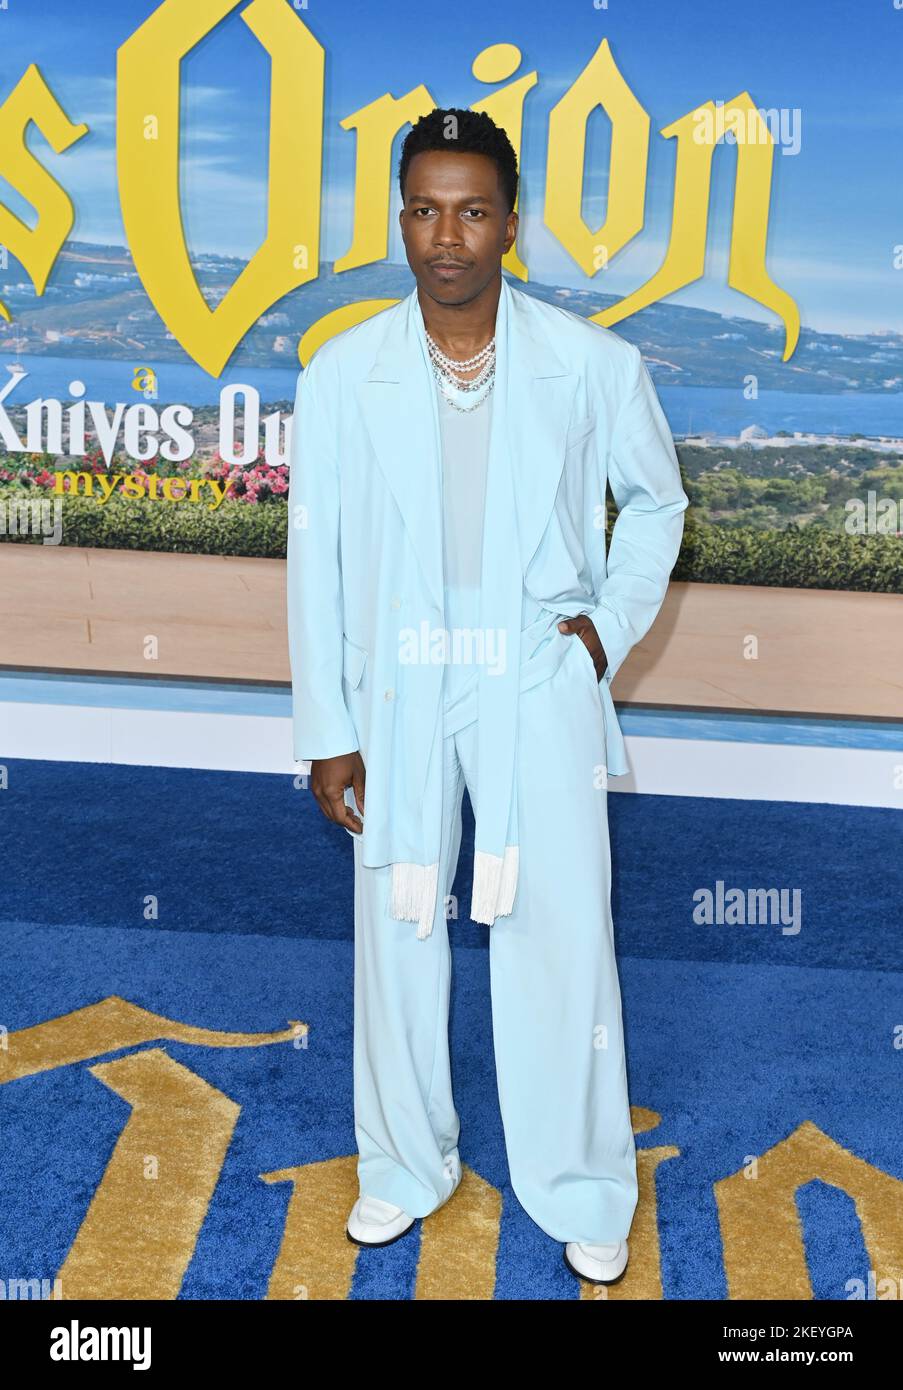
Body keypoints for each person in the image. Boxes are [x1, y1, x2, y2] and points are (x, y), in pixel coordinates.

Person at [286, 107, 688, 1286]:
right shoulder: (340, 369)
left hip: (534, 674)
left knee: (562, 939)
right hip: (399, 683)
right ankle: (404, 1167)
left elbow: (656, 504)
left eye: (471, 210)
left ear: (512, 223)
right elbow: (316, 562)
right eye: (423, 209)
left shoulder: (592, 365)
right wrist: (328, 730)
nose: (445, 235)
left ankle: (582, 1183)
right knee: (399, 931)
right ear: (399, 219)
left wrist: (601, 632)